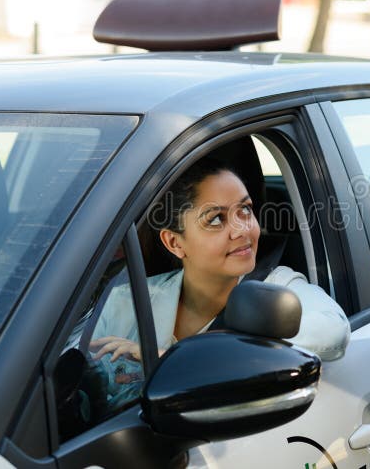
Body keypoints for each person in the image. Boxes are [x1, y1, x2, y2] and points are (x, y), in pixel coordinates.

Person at [90, 156, 350, 371]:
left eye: (245, 210)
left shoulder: (278, 287)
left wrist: (170, 359)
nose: (242, 230)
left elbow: (333, 333)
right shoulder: (127, 301)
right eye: (216, 220)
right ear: (174, 242)